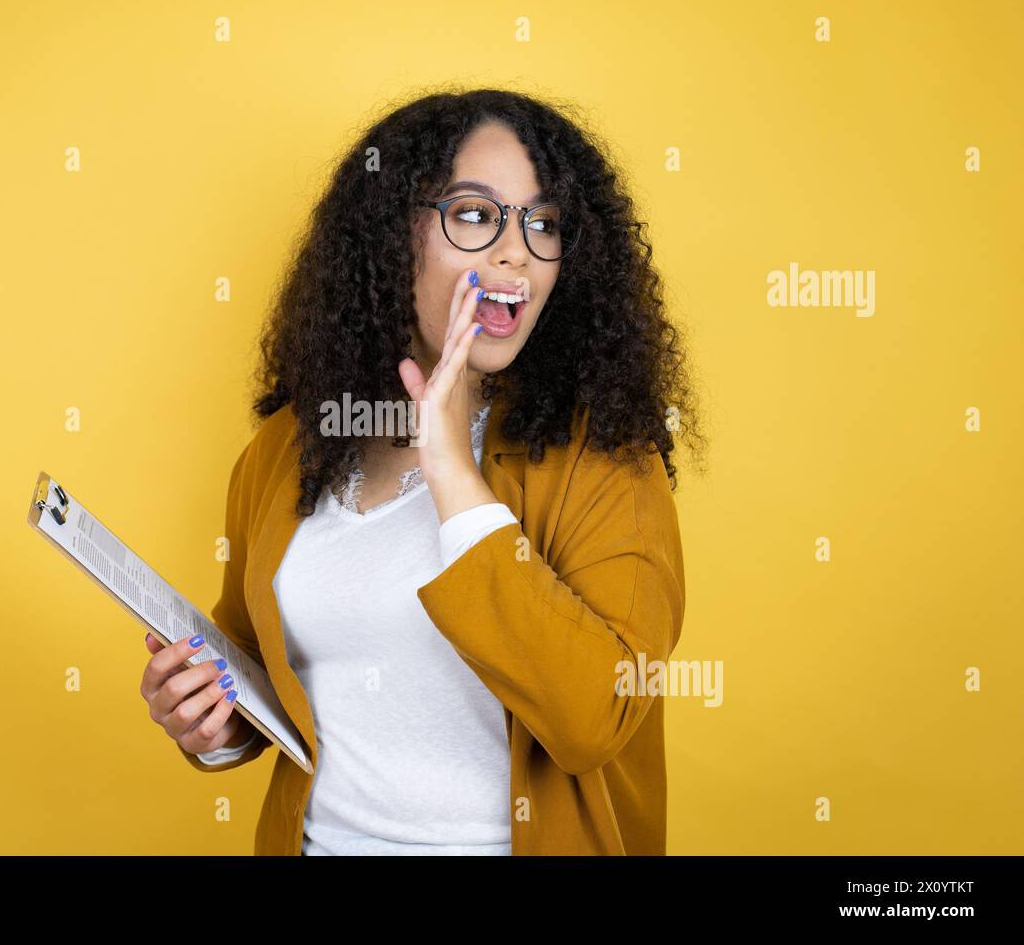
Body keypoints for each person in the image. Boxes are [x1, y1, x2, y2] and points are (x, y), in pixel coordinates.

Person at [139, 87, 704, 855]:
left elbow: (593, 718)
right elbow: (266, 676)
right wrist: (207, 723)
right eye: (475, 215)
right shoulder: (286, 450)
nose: (515, 252)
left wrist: (453, 473)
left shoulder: (604, 458)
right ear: (391, 237)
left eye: (544, 224)